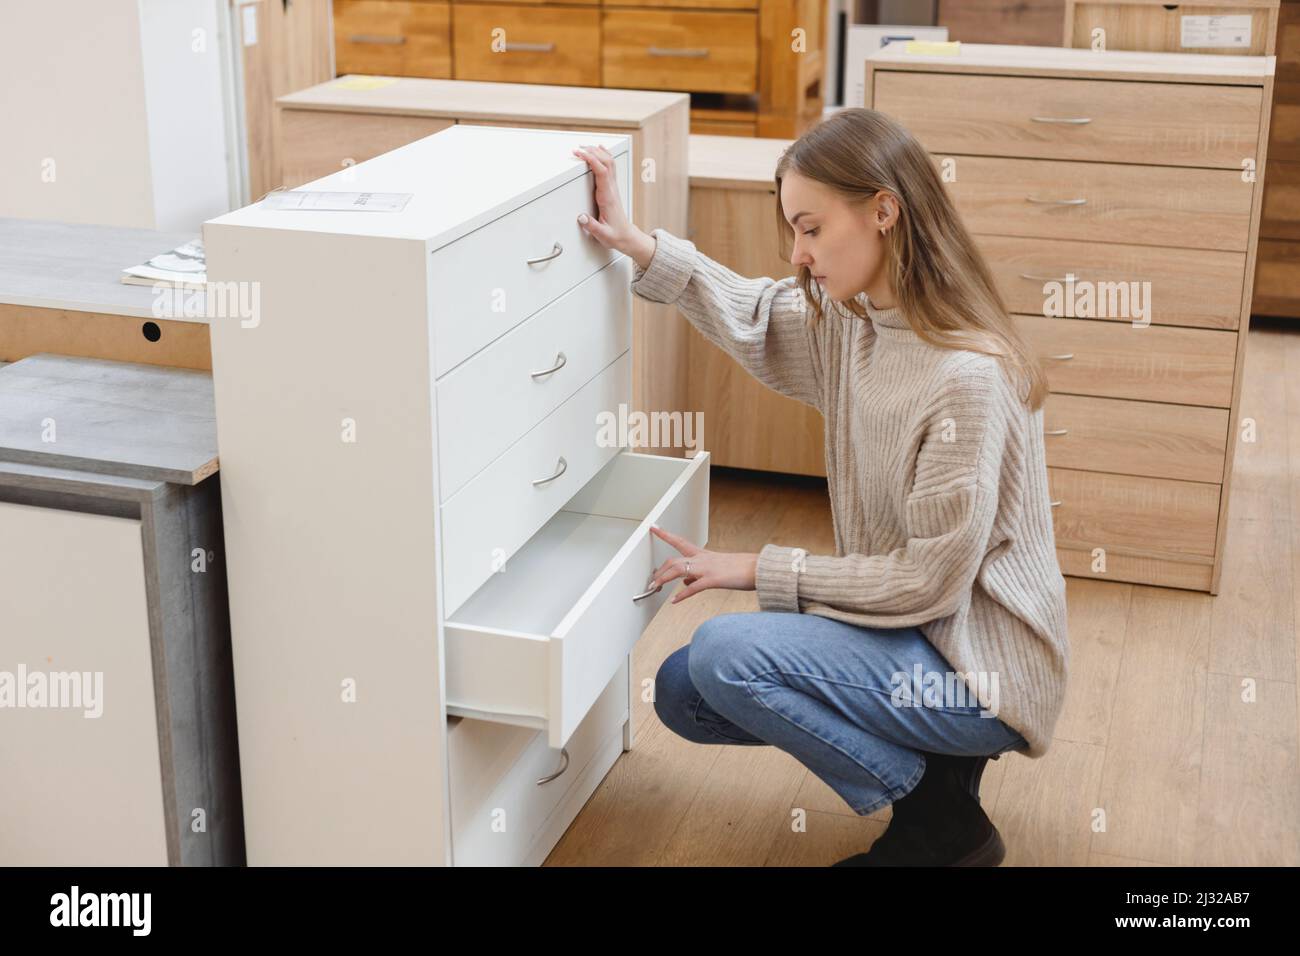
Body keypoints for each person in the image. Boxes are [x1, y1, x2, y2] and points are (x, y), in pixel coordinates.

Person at [570, 107, 1069, 867]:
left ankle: (940, 820)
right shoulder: (859, 323)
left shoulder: (966, 377)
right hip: (910, 631)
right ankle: (934, 767)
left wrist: (756, 568)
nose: (798, 256)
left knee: (726, 655)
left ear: (884, 211)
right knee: (683, 692)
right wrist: (637, 245)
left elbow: (929, 583)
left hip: (977, 669)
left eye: (810, 228)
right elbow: (754, 314)